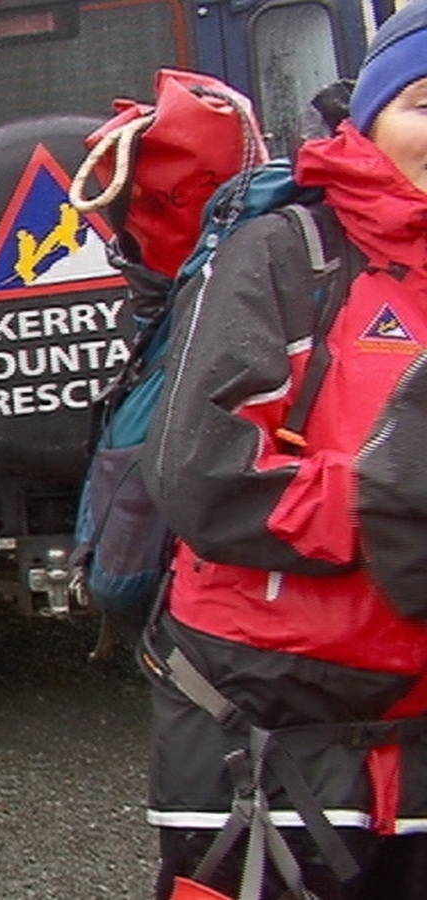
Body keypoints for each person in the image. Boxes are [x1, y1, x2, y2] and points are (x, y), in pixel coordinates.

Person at [142, 4, 427, 897]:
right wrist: (388, 504)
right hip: (263, 722)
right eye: (426, 100)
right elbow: (201, 473)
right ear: (369, 116)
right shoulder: (288, 254)